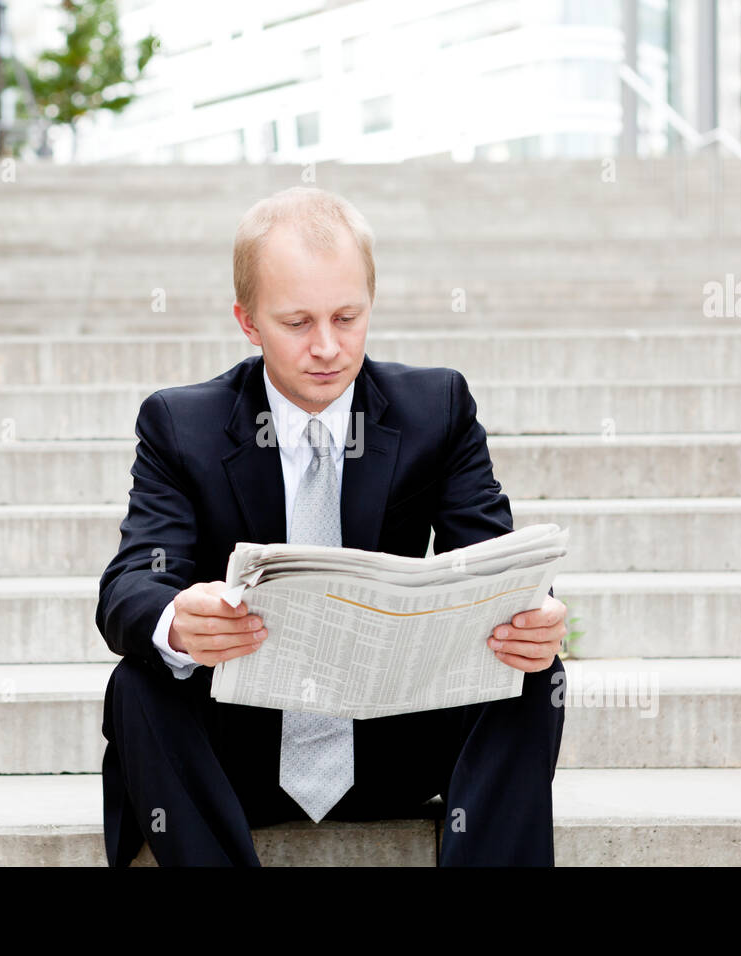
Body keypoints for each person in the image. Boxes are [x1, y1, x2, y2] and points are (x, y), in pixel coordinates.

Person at [96, 185, 567, 866]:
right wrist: (179, 621)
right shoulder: (180, 424)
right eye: (297, 322)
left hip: (395, 737)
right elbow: (130, 585)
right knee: (139, 681)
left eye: (348, 317)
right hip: (238, 756)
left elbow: (492, 561)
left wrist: (529, 615)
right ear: (248, 322)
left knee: (532, 671)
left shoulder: (437, 407)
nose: (327, 347)